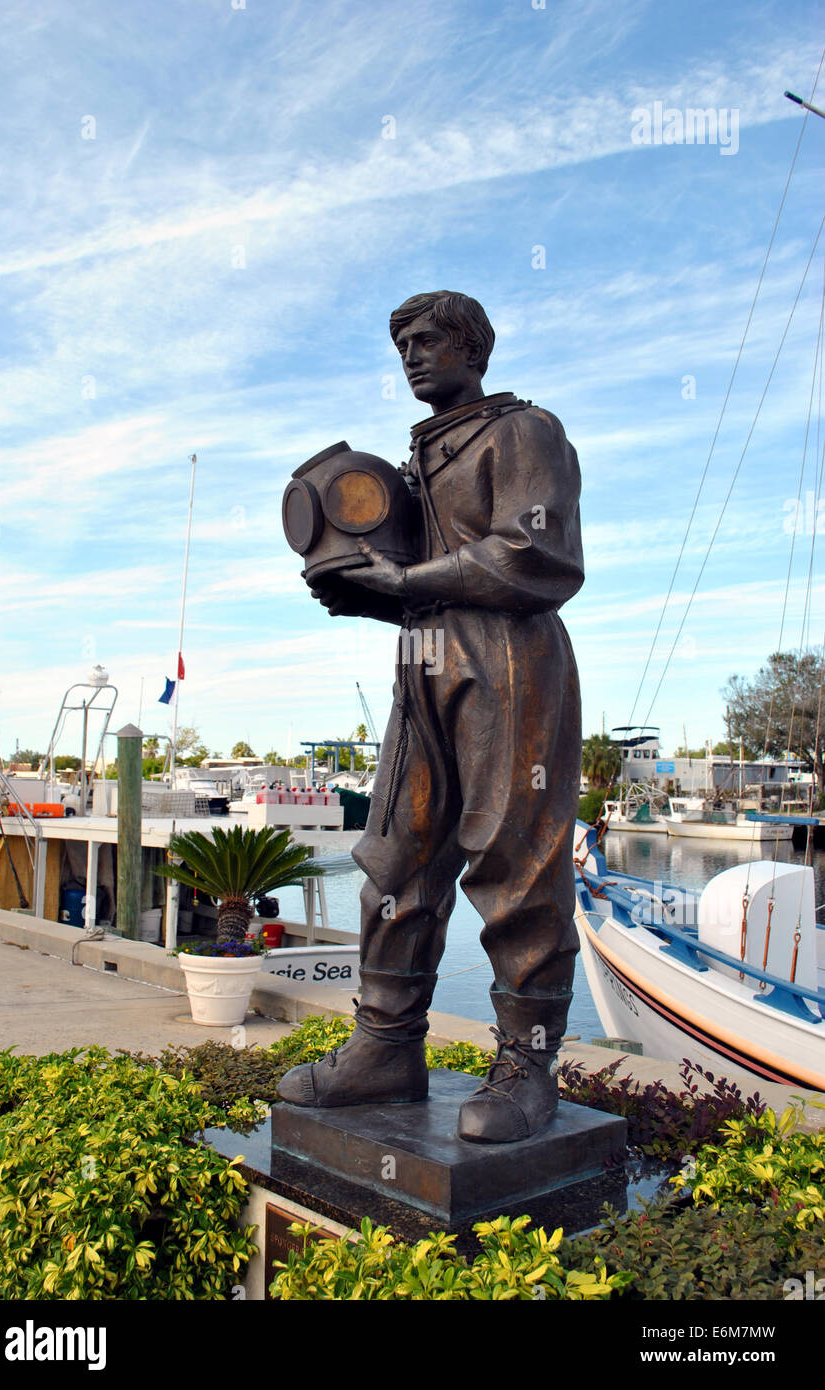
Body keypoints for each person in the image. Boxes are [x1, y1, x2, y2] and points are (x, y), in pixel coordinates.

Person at [277, 291, 584, 1143]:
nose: (411, 356)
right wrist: (367, 592)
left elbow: (536, 552)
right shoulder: (422, 458)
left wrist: (406, 586)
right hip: (423, 661)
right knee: (397, 855)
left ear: (471, 347)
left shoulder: (523, 432)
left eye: (426, 340)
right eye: (401, 345)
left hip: (509, 661)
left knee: (516, 856)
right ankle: (384, 1045)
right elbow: (420, 569)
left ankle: (526, 1065)